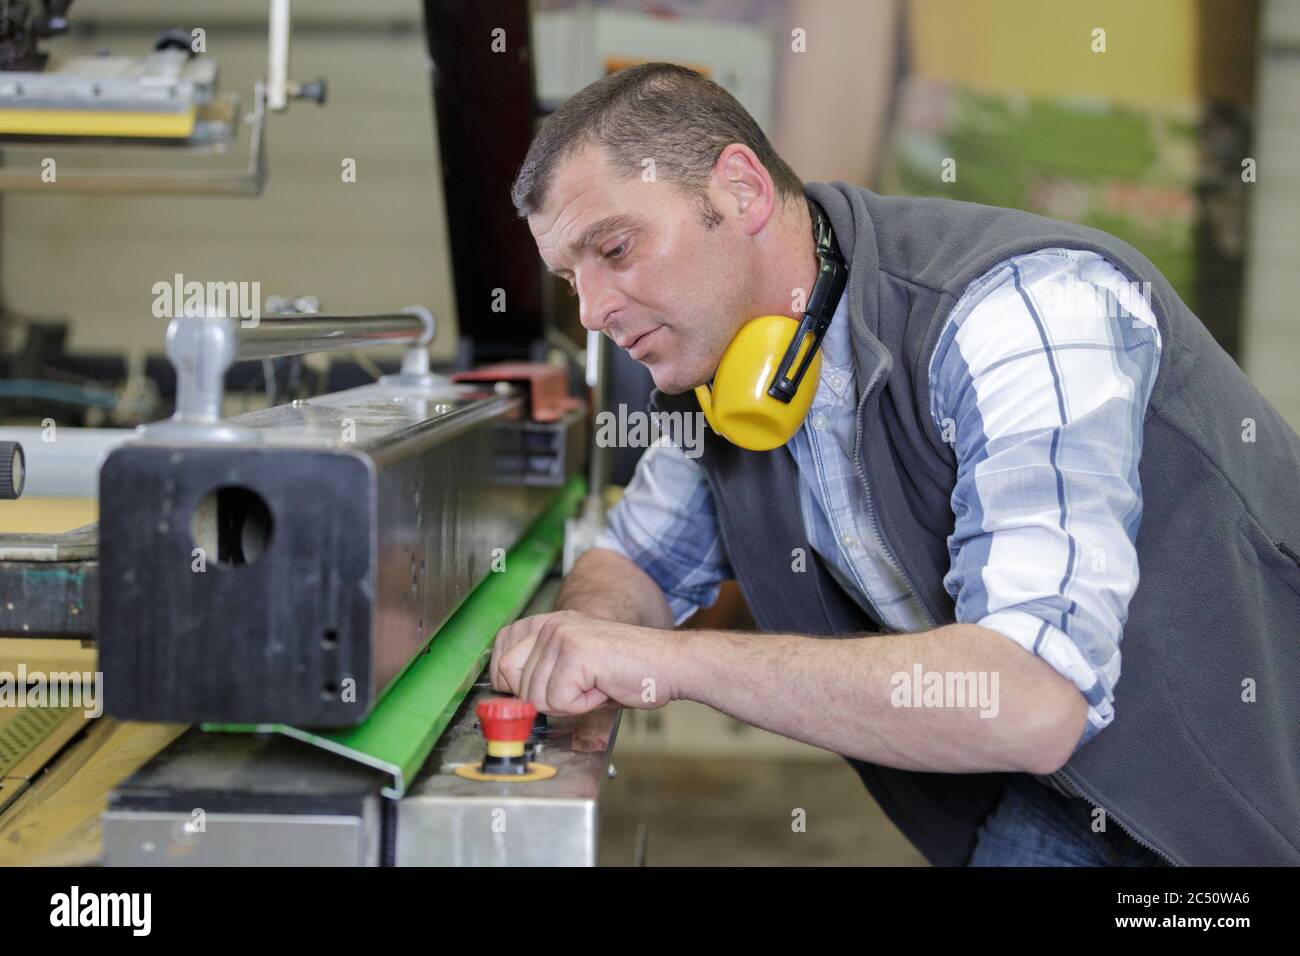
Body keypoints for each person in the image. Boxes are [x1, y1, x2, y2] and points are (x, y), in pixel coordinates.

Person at [490, 63, 1300, 866]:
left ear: (740, 191)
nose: (592, 312)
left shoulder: (1022, 309)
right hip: (1053, 801)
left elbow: (1028, 696)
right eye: (572, 278)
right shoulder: (729, 380)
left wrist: (665, 663)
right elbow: (639, 560)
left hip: (1245, 809)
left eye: (616, 248)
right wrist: (582, 636)